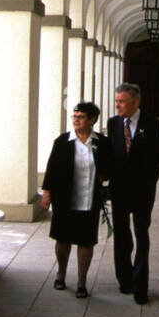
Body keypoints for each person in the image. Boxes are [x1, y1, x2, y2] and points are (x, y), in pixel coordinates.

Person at [40, 101, 111, 298]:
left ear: (92, 120)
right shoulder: (63, 142)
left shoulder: (101, 143)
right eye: (74, 116)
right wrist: (47, 194)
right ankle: (61, 274)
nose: (75, 120)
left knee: (86, 241)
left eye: (80, 117)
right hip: (65, 199)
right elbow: (51, 169)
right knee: (62, 239)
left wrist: (104, 174)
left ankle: (82, 282)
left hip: (89, 200)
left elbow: (109, 165)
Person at [107, 82, 159, 304]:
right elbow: (110, 154)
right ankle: (124, 279)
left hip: (142, 191)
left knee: (142, 236)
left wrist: (149, 181)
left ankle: (140, 286)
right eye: (116, 102)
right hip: (119, 191)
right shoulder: (113, 124)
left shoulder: (152, 124)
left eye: (121, 102)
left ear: (135, 102)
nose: (117, 106)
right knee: (121, 236)